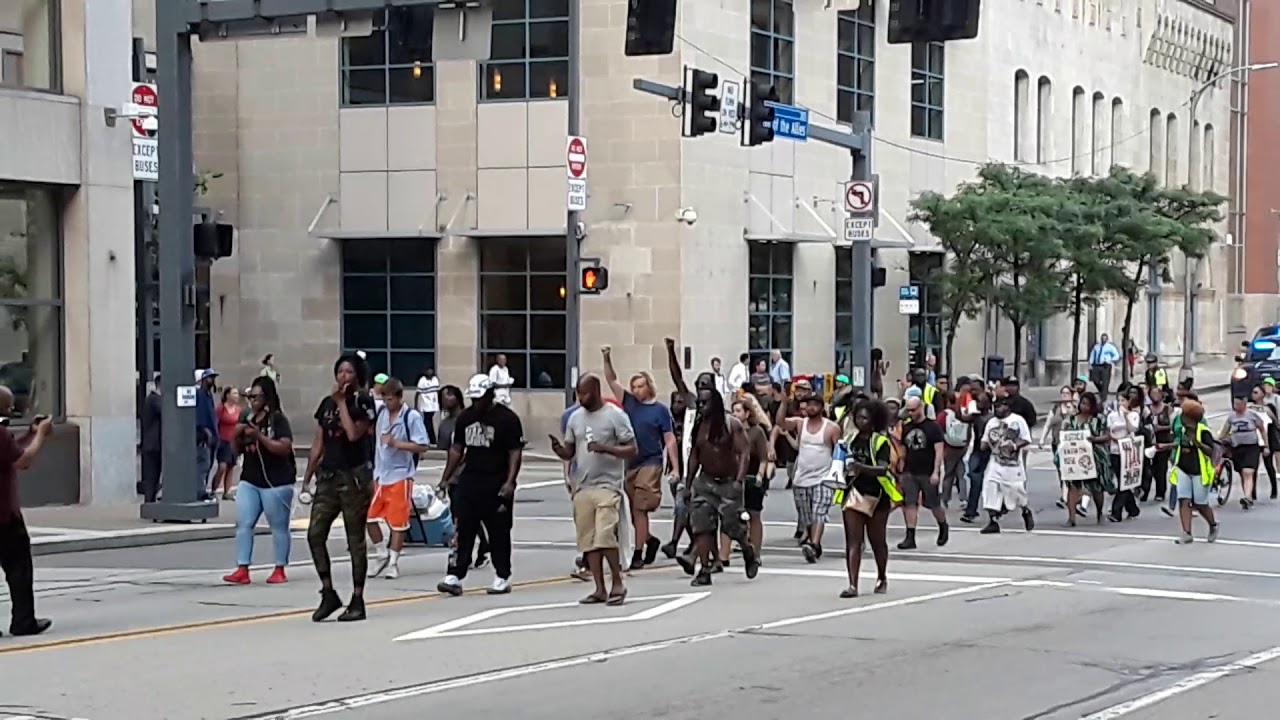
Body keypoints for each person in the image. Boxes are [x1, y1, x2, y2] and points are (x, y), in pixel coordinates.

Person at [300, 354, 377, 622]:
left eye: (349, 372)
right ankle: (328, 591)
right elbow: (319, 441)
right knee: (315, 533)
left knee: (354, 539)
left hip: (354, 477)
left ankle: (357, 598)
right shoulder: (326, 404)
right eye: (340, 372)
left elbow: (354, 433)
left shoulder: (363, 402)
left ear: (357, 376)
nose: (343, 377)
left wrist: (343, 402)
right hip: (329, 476)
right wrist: (308, 476)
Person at [550, 375, 637, 605]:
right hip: (584, 485)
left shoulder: (615, 416)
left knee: (605, 536)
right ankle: (599, 588)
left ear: (596, 391)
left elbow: (631, 448)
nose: (581, 398)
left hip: (608, 485)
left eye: (585, 394)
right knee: (588, 541)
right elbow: (570, 450)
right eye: (578, 394)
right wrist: (560, 450)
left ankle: (617, 582)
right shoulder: (575, 418)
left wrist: (606, 449)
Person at [436, 374, 524, 596]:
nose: (476, 404)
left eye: (480, 398)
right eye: (473, 399)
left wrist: (510, 481)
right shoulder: (465, 418)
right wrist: (446, 477)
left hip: (496, 480)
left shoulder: (507, 419)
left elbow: (515, 452)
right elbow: (457, 449)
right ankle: (455, 574)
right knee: (463, 527)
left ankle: (502, 575)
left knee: (499, 531)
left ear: (490, 395)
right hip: (470, 478)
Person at [601, 347, 676, 570]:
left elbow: (670, 439)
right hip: (631, 461)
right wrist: (606, 358)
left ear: (649, 386)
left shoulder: (660, 411)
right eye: (634, 386)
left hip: (651, 461)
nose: (636, 390)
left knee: (641, 508)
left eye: (640, 386)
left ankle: (638, 552)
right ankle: (649, 539)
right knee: (634, 510)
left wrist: (675, 467)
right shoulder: (630, 403)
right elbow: (611, 379)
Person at [679, 387, 760, 586]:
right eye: (699, 403)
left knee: (733, 527)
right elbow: (694, 456)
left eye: (705, 403)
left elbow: (744, 453)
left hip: (727, 483)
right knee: (702, 527)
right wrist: (688, 483)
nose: (701, 406)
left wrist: (739, 481)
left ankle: (748, 551)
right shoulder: (699, 425)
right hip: (705, 482)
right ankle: (705, 569)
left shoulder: (731, 424)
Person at [223, 376, 295, 585]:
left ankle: (280, 567)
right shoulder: (246, 417)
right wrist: (236, 436)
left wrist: (259, 437)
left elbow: (284, 447)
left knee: (278, 526)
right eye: (248, 396)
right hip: (250, 478)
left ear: (266, 397)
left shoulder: (277, 420)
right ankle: (242, 567)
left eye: (255, 396)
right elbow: (235, 452)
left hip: (276, 480)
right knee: (244, 523)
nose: (251, 401)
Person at [0, 388, 54, 637]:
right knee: (19, 569)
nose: (11, 411)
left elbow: (9, 452)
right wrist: (41, 436)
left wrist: (28, 434)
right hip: (4, 515)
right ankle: (23, 621)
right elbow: (22, 460)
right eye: (8, 407)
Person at [367, 377, 430, 581]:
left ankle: (393, 562)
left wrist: (397, 444)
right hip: (381, 473)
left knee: (398, 522)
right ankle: (381, 552)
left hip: (401, 475)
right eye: (385, 399)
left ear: (400, 397)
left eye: (391, 399)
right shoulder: (382, 414)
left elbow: (422, 446)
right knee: (369, 517)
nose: (388, 403)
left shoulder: (411, 417)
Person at [838, 399, 901, 598]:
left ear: (874, 420)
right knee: (853, 540)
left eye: (865, 417)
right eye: (858, 417)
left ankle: (882, 576)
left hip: (877, 494)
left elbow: (883, 468)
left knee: (877, 540)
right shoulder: (849, 440)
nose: (860, 421)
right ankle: (852, 584)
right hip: (853, 492)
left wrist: (860, 467)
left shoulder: (881, 441)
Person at [771, 394, 840, 563]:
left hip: (823, 477)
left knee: (819, 511)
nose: (811, 408)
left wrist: (838, 475)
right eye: (808, 404)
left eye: (815, 404)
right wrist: (784, 402)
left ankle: (814, 544)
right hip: (801, 477)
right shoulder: (800, 424)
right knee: (807, 515)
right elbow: (780, 423)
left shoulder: (831, 428)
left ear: (822, 407)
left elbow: (839, 451)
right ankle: (812, 540)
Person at [897, 396, 948, 549]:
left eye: (913, 409)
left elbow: (939, 451)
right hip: (910, 471)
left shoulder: (933, 428)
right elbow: (903, 449)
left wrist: (936, 472)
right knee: (909, 503)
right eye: (909, 410)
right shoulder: (906, 427)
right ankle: (910, 535)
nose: (911, 413)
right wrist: (900, 469)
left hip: (927, 471)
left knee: (933, 504)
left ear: (921, 408)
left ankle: (943, 525)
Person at [979, 397, 1034, 534]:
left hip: (1013, 464)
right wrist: (985, 445)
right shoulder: (991, 422)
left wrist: (1014, 445)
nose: (996, 409)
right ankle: (992, 521)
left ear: (1007, 407)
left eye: (999, 406)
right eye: (995, 406)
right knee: (990, 489)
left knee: (1016, 491)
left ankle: (1025, 510)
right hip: (995, 463)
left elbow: (1026, 439)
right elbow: (984, 441)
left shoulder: (1017, 421)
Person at [1171, 399, 1220, 544]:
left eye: (1184, 415)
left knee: (1200, 503)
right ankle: (1187, 533)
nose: (1181, 418)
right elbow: (1178, 445)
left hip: (1199, 471)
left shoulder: (1203, 431)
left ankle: (1213, 524)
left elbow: (1210, 451)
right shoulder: (1183, 431)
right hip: (1183, 467)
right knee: (1184, 500)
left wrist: (1197, 443)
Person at [731, 395, 772, 560]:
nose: (735, 414)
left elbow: (764, 457)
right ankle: (728, 551)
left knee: (754, 514)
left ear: (748, 413)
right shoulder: (731, 431)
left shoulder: (757, 432)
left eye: (738, 411)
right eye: (733, 411)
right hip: (734, 478)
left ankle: (755, 552)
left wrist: (760, 475)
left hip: (753, 475)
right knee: (733, 515)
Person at [1062, 392, 1110, 526]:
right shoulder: (1071, 420)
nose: (1084, 407)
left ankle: (1100, 513)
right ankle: (1071, 518)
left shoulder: (1099, 420)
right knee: (1073, 486)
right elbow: (1063, 435)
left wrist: (1094, 439)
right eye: (1082, 403)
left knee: (1096, 487)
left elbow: (1107, 436)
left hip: (1094, 457)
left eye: (1087, 404)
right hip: (1074, 456)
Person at [1219, 393, 1267, 510]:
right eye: (1235, 404)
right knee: (1241, 472)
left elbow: (1262, 430)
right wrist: (1222, 441)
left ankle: (1247, 497)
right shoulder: (1231, 417)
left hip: (1251, 447)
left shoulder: (1252, 415)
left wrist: (1266, 445)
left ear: (1244, 404)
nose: (1236, 406)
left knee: (1248, 471)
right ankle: (1248, 495)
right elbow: (1224, 432)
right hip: (1237, 447)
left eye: (1239, 404)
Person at [1106, 386, 1143, 522]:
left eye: (1123, 400)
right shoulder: (1112, 416)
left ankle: (1116, 511)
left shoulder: (1134, 415)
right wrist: (1114, 438)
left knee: (1123, 482)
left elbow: (1133, 428)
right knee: (1122, 481)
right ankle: (1133, 509)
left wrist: (1126, 417)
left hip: (1127, 451)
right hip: (1115, 450)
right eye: (1119, 401)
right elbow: (1110, 430)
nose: (1121, 403)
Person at [212, 386, 244, 501]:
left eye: (237, 394)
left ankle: (227, 491)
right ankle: (213, 489)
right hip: (222, 440)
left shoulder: (239, 410)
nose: (237, 396)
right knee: (222, 466)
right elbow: (215, 422)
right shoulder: (221, 409)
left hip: (233, 441)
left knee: (231, 466)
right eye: (234, 393)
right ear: (228, 395)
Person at [195, 368, 220, 500]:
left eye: (213, 378)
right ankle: (199, 492)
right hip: (203, 437)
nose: (212, 380)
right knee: (203, 465)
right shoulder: (199, 394)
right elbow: (199, 416)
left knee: (208, 465)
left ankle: (202, 489)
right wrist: (205, 431)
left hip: (212, 437)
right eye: (210, 378)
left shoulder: (209, 396)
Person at [140, 375, 163, 502]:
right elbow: (164, 410)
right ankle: (149, 502)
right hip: (153, 445)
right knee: (152, 477)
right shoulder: (154, 399)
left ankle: (151, 500)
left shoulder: (153, 399)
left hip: (154, 445)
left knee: (154, 477)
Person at [1087, 334, 1121, 404]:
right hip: (1096, 365)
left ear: (1107, 339)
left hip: (1106, 365)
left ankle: (1103, 398)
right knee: (1095, 379)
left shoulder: (1110, 347)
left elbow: (1117, 355)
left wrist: (1110, 360)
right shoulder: (1096, 347)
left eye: (1105, 338)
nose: (1103, 339)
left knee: (1105, 381)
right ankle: (1102, 391)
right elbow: (1092, 355)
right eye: (1102, 338)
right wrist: (1090, 363)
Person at [416, 367, 441, 446]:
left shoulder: (435, 380)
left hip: (433, 405)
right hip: (425, 405)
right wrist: (416, 405)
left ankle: (429, 439)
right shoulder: (422, 380)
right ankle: (432, 440)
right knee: (427, 422)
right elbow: (417, 394)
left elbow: (438, 392)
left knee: (427, 422)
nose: (430, 372)